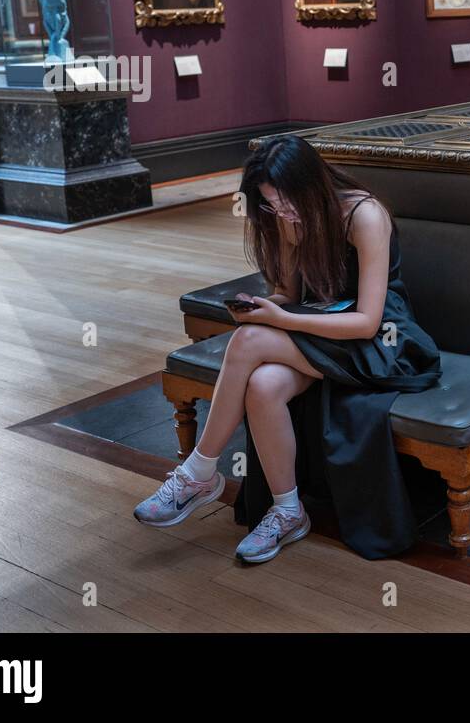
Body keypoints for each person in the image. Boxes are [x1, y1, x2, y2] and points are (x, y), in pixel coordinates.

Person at [133, 135, 441, 562]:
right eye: (273, 205)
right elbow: (288, 293)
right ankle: (288, 511)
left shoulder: (364, 214)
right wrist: (265, 308)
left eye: (288, 202)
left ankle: (199, 473)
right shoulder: (285, 215)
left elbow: (368, 321)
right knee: (262, 385)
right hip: (319, 330)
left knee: (247, 341)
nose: (284, 213)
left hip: (378, 341)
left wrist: (279, 322)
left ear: (312, 184)